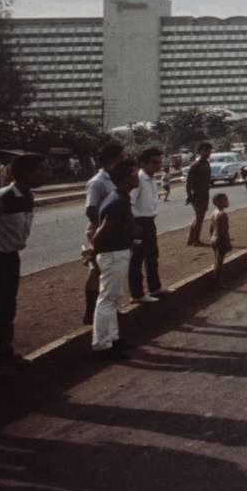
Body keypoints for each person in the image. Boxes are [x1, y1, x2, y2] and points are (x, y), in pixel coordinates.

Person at [0, 154, 46, 376]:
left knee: (8, 308)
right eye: (40, 170)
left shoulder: (28, 196)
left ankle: (5, 353)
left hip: (11, 259)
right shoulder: (4, 197)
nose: (44, 174)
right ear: (26, 173)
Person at [91, 157, 137, 362]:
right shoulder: (117, 201)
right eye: (134, 173)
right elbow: (101, 233)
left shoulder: (120, 197)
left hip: (117, 253)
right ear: (126, 178)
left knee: (113, 298)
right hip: (112, 255)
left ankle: (113, 339)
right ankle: (102, 345)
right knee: (107, 299)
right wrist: (93, 253)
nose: (137, 176)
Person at [83, 141, 124, 324]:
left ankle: (107, 308)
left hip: (112, 230)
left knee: (108, 271)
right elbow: (91, 210)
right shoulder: (97, 181)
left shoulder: (112, 178)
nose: (123, 160)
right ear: (112, 158)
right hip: (101, 230)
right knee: (97, 270)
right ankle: (91, 311)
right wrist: (102, 230)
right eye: (121, 156)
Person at [129, 148, 165, 304]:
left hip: (149, 222)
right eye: (154, 162)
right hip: (138, 223)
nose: (158, 165)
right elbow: (129, 203)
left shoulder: (151, 179)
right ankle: (137, 294)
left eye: (159, 162)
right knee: (137, 259)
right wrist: (133, 226)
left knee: (152, 256)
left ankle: (155, 287)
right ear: (143, 163)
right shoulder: (138, 179)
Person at [185, 141, 212, 246]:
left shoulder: (206, 163)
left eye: (209, 151)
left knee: (199, 217)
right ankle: (196, 241)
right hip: (197, 195)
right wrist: (190, 196)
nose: (208, 153)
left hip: (205, 194)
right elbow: (188, 183)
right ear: (199, 151)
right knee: (200, 218)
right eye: (205, 151)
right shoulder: (195, 165)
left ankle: (191, 239)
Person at [209, 193, 232, 283]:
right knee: (219, 263)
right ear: (218, 202)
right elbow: (224, 231)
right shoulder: (223, 214)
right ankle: (216, 282)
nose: (227, 201)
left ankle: (217, 281)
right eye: (225, 200)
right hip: (220, 240)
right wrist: (228, 242)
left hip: (213, 239)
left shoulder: (214, 212)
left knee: (217, 261)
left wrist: (212, 238)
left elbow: (211, 229)